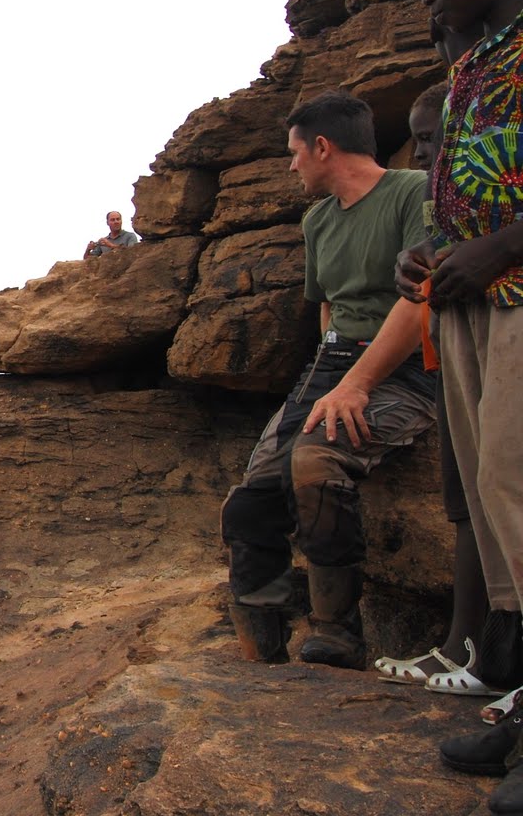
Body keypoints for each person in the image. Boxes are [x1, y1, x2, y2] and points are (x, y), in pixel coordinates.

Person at [221, 90, 435, 670]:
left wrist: (357, 383)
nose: (291, 165)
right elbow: (327, 311)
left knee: (314, 464)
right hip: (335, 363)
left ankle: (337, 633)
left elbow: (421, 302)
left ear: (322, 146)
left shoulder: (413, 193)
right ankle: (263, 641)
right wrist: (328, 376)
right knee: (251, 497)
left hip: (407, 366)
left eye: (294, 152)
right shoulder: (317, 221)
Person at [393, 0, 523, 809]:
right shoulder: (477, 62)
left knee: (520, 485)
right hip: (470, 305)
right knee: (494, 500)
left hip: (517, 294)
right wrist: (435, 252)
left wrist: (504, 245)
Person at [374, 76, 494, 695]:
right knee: (467, 505)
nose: (420, 154)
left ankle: (474, 650)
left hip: (476, 357)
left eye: (430, 140)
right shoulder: (441, 206)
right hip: (447, 359)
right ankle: (467, 649)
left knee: (485, 501)